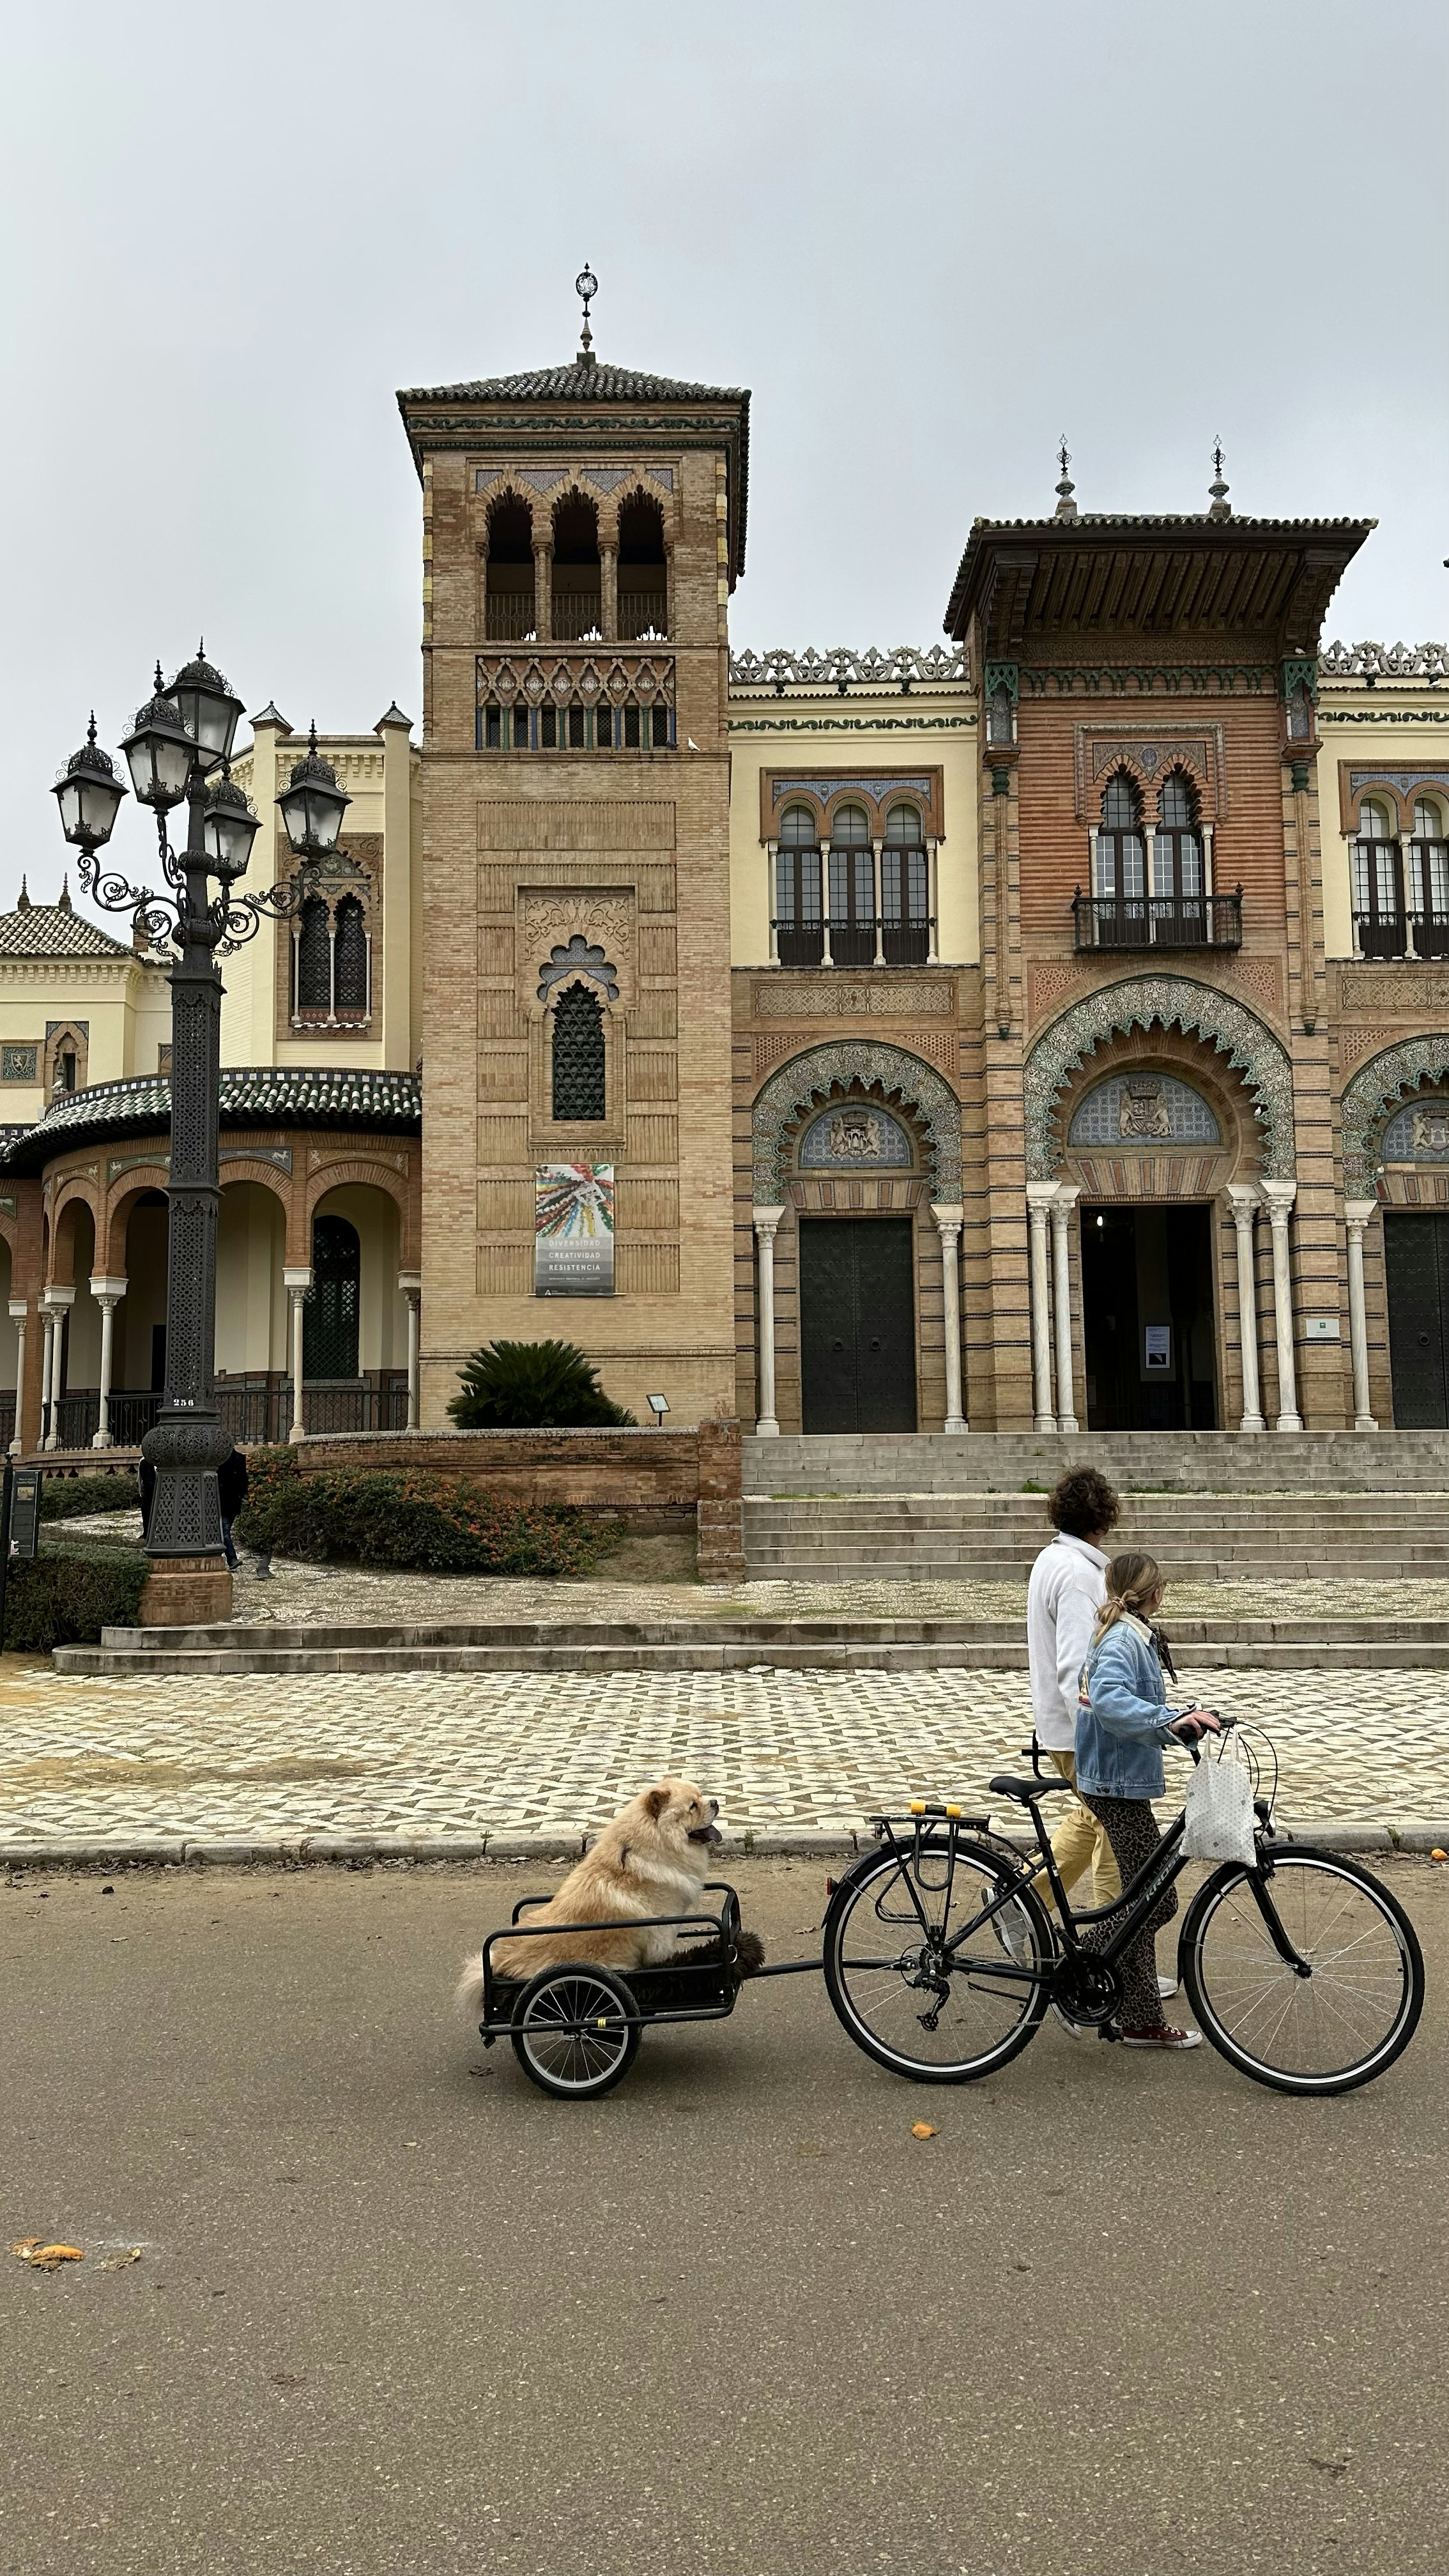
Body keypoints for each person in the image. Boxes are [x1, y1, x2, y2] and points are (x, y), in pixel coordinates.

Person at [1076, 1550, 1220, 2050]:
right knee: (1156, 1901)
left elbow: (1130, 1698)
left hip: (1117, 1780)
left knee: (1144, 1902)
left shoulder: (1129, 1634)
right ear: (1155, 1593)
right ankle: (1078, 1961)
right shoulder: (1122, 1640)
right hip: (1116, 1785)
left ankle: (1141, 2018)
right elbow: (1113, 1701)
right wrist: (1168, 1721)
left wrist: (1185, 1713)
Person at [1026, 1467, 1124, 1915]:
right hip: (1079, 1730)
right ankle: (1121, 1956)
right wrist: (1098, 1733)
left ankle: (1023, 1900)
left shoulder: (1053, 1559)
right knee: (1120, 1832)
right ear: (1103, 1518)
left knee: (1094, 1816)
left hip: (1059, 1723)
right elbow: (1073, 1666)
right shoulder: (1079, 1576)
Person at [217, 1446, 249, 1572]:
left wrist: (240, 1494)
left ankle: (226, 1558)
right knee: (223, 1531)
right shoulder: (219, 1459)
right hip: (223, 1501)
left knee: (224, 1531)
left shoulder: (238, 1459)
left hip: (231, 1501)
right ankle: (231, 1559)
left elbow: (243, 1480)